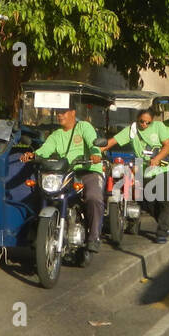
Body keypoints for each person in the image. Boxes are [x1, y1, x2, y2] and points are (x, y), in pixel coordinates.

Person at [20, 106, 105, 254]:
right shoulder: (56, 135)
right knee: (41, 193)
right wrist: (33, 155)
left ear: (73, 112)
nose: (60, 116)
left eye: (63, 112)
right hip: (66, 173)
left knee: (93, 197)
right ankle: (37, 234)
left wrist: (95, 154)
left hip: (88, 171)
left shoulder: (83, 126)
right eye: (58, 113)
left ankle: (94, 237)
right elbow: (45, 150)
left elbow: (93, 142)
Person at [102, 109, 169, 243]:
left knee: (165, 201)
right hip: (145, 170)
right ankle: (164, 221)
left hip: (165, 169)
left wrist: (157, 158)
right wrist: (97, 150)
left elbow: (167, 146)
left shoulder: (159, 127)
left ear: (152, 121)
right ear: (137, 119)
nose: (144, 125)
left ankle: (162, 232)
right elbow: (112, 142)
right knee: (147, 201)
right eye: (142, 121)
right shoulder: (131, 131)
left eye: (148, 122)